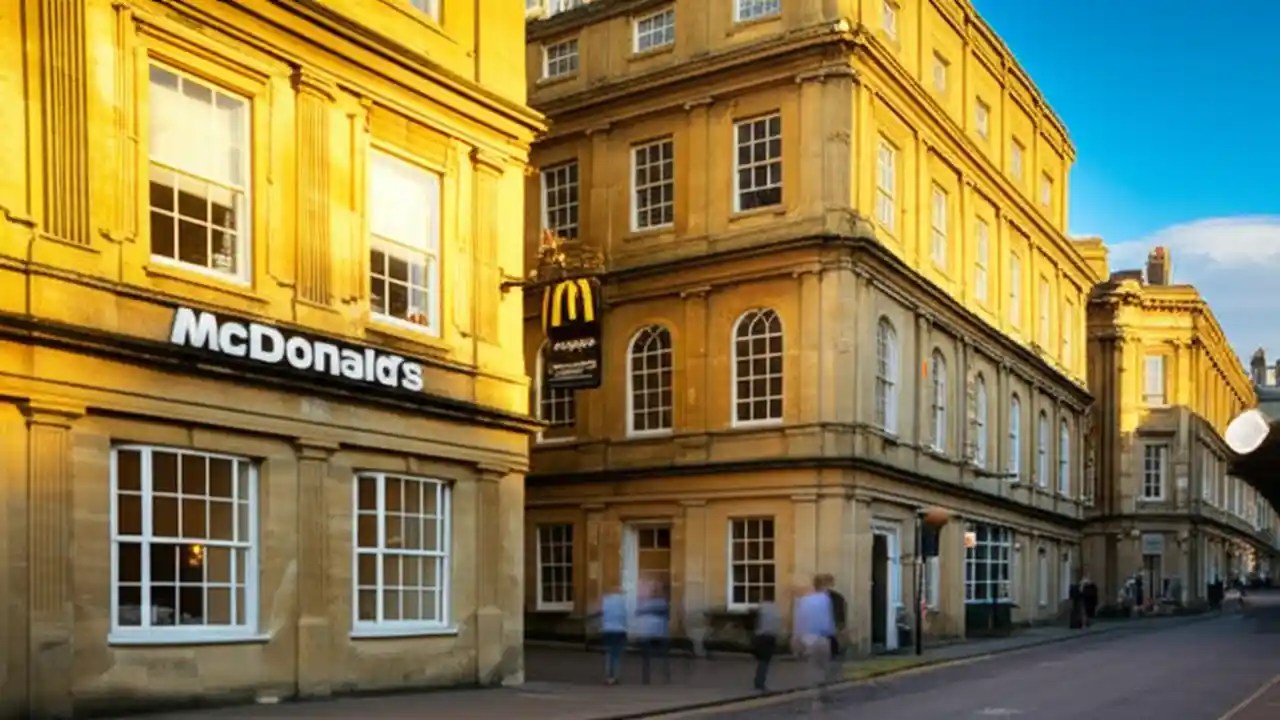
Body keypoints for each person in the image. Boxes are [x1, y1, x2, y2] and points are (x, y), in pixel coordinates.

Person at [792, 576, 836, 709]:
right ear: (823, 586)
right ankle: (819, 695)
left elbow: (798, 621)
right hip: (820, 637)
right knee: (822, 667)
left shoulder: (803, 600)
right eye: (829, 585)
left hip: (806, 637)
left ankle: (819, 693)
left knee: (814, 666)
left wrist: (796, 640)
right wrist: (833, 634)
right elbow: (828, 621)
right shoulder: (825, 599)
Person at [635, 579, 671, 685]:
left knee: (647, 659)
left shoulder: (644, 603)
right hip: (660, 633)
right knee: (663, 658)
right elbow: (666, 616)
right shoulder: (663, 603)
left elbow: (638, 614)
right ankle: (665, 677)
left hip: (649, 634)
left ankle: (647, 678)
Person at [598, 585, 628, 685]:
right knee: (617, 655)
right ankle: (615, 677)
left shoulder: (605, 600)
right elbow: (624, 616)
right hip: (619, 630)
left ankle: (608, 677)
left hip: (607, 630)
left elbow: (603, 614)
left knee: (608, 654)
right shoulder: (621, 601)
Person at [752, 599, 782, 692]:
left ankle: (758, 682)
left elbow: (756, 624)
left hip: (760, 637)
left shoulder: (761, 612)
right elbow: (776, 626)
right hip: (769, 638)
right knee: (764, 662)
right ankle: (760, 683)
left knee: (762, 662)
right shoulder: (775, 612)